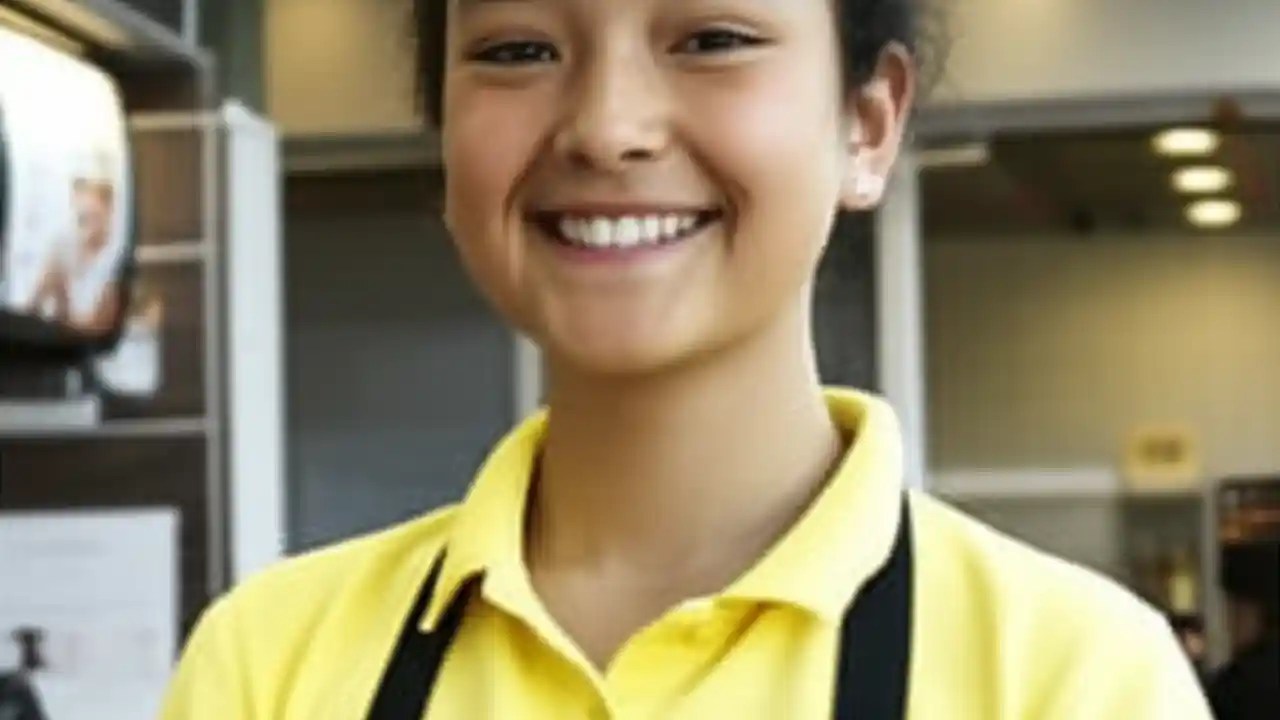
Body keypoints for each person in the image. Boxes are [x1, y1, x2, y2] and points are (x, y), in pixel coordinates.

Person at [161, 0, 1213, 717]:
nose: (605, 127)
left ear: (866, 123)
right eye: (517, 49)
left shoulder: (1066, 677)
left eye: (709, 36)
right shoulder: (271, 664)